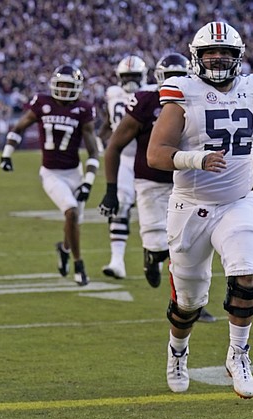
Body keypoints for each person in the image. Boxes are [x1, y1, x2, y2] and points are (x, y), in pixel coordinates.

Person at [147, 21, 253, 399]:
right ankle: (177, 351)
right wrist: (196, 158)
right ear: (198, 57)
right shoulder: (183, 93)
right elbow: (155, 154)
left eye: (225, 53)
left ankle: (238, 353)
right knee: (188, 301)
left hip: (238, 202)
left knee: (247, 277)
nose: (218, 59)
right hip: (191, 206)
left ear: (238, 58)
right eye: (211, 53)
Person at [98, 53, 215, 323]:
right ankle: (152, 256)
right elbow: (114, 145)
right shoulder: (146, 100)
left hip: (187, 181)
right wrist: (112, 190)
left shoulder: (200, 97)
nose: (174, 82)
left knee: (188, 250)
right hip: (150, 182)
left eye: (179, 76)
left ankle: (190, 305)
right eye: (169, 77)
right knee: (162, 246)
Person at [0, 64, 101, 285]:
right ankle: (79, 265)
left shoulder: (83, 109)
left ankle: (64, 249)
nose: (64, 90)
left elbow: (94, 152)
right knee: (72, 213)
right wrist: (6, 154)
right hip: (51, 173)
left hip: (75, 172)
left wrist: (87, 183)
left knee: (73, 220)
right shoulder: (42, 103)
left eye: (69, 85)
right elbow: (18, 128)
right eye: (61, 85)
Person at [97, 55, 149, 279]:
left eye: (134, 76)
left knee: (156, 213)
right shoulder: (113, 94)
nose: (130, 81)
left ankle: (154, 258)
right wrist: (102, 141)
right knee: (119, 206)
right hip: (124, 159)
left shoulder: (151, 93)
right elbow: (109, 122)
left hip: (148, 158)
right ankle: (117, 260)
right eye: (126, 77)